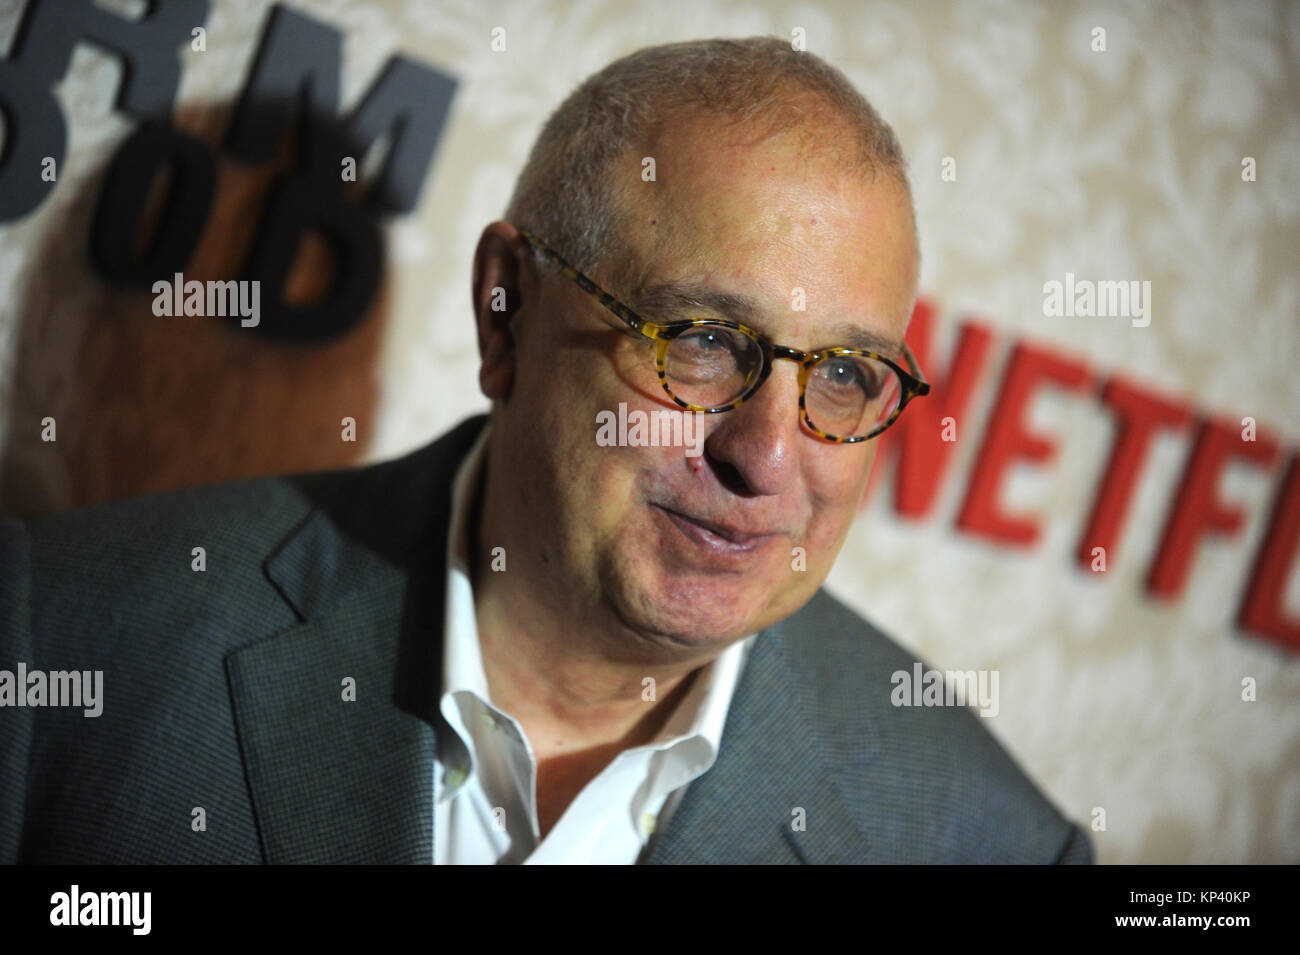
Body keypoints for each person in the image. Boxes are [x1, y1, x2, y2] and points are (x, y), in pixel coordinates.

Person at [0, 36, 1091, 864]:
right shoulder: (65, 641)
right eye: (704, 342)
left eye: (845, 375)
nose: (766, 454)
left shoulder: (987, 841)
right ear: (503, 312)